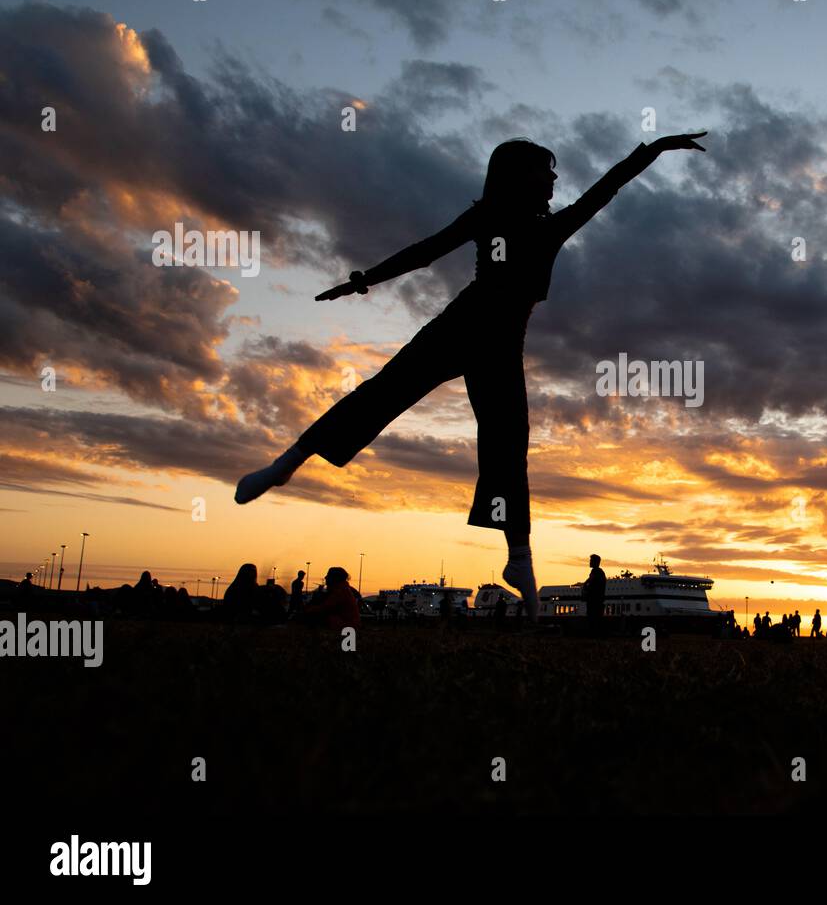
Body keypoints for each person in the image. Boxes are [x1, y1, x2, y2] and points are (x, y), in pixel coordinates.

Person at [233, 132, 709, 622]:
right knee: (384, 392)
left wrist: (654, 148)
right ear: (518, 175)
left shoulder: (555, 226)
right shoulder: (488, 216)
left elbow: (609, 186)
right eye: (545, 169)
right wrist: (363, 280)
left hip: (503, 344)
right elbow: (426, 251)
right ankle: (287, 462)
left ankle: (518, 558)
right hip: (463, 323)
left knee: (508, 441)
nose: (553, 178)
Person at [301, 566, 360, 631]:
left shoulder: (340, 592)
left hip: (345, 625)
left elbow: (325, 607)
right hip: (348, 624)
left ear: (335, 578)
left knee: (312, 616)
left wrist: (308, 610)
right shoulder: (342, 589)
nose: (325, 577)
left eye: (328, 575)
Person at [582, 553, 606, 635]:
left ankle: (594, 634)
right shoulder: (599, 572)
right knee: (595, 619)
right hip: (597, 600)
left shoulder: (596, 572)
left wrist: (586, 587)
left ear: (595, 562)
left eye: (591, 560)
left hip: (594, 600)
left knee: (593, 619)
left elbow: (591, 584)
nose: (589, 562)